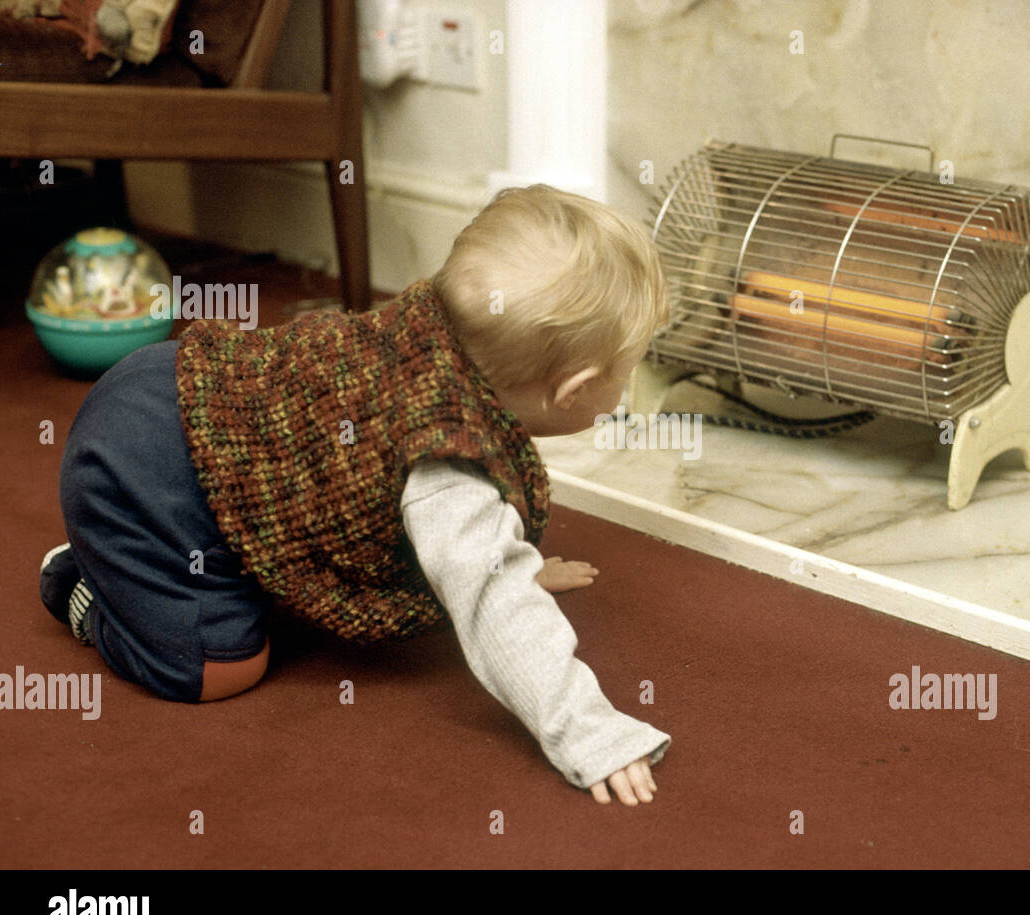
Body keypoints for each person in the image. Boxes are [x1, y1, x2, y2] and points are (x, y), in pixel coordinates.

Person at [39, 184, 670, 807]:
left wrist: (513, 564)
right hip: (142, 464)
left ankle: (135, 556)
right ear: (576, 390)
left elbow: (445, 538)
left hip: (175, 390)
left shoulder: (442, 333)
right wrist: (589, 732)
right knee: (216, 668)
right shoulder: (444, 453)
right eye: (630, 367)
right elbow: (492, 606)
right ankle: (85, 580)